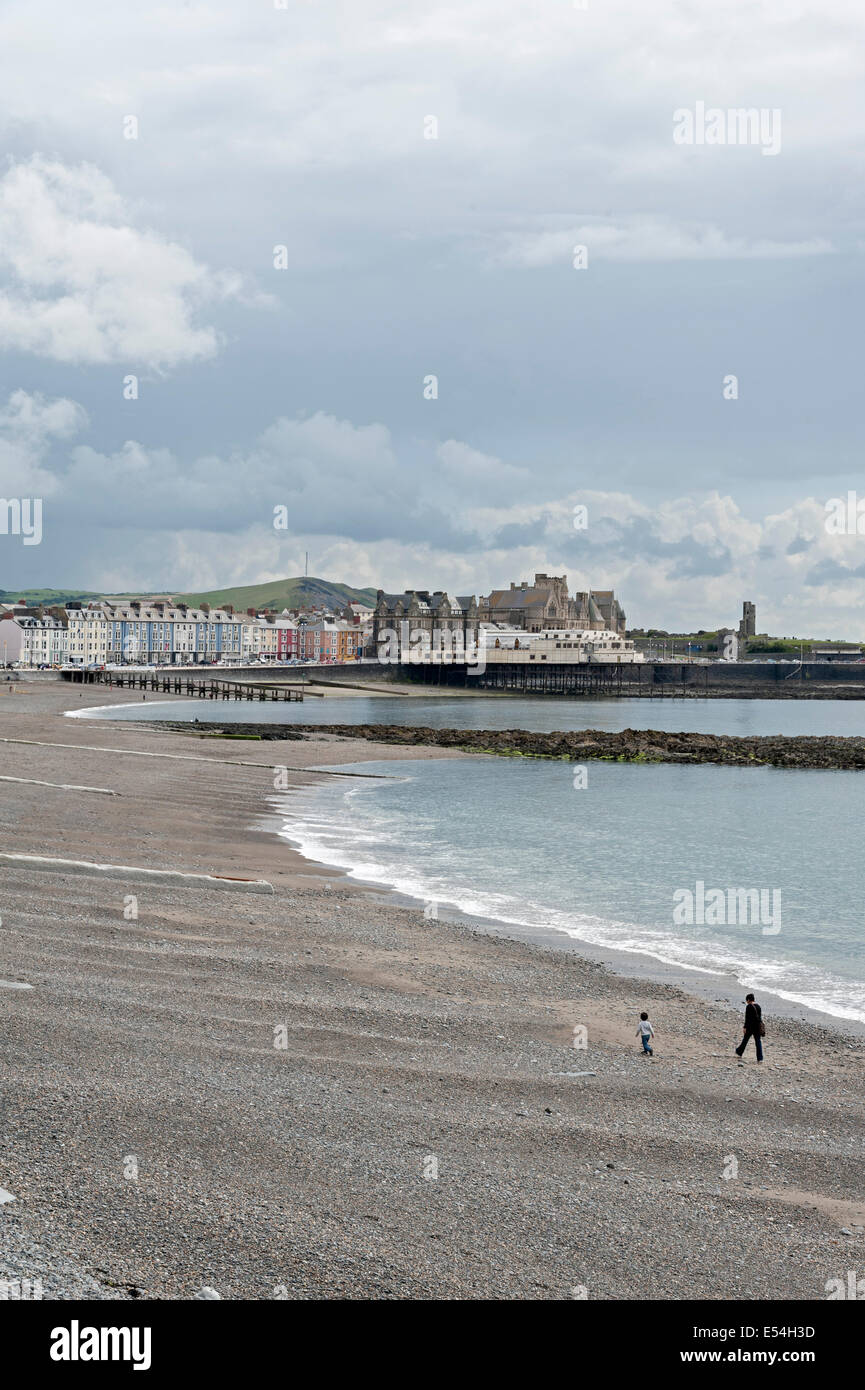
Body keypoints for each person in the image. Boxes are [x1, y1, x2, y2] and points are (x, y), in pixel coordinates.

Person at [735, 993, 764, 1062]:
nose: (747, 1002)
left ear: (748, 1000)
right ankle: (760, 1058)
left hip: (750, 1027)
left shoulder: (749, 1006)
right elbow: (760, 1017)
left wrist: (745, 1027)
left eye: (747, 1000)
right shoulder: (758, 1006)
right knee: (758, 1042)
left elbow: (747, 1018)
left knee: (745, 1040)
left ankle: (739, 1052)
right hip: (757, 1027)